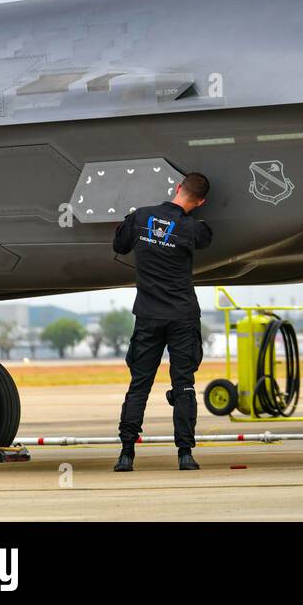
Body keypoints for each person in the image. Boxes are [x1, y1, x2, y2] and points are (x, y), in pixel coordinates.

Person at [111, 172, 214, 472]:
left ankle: (126, 454)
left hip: (148, 315)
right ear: (201, 201)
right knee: (183, 386)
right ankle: (185, 454)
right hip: (182, 316)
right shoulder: (192, 228)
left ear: (178, 187)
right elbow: (206, 238)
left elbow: (119, 245)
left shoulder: (141, 217)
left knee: (139, 385)